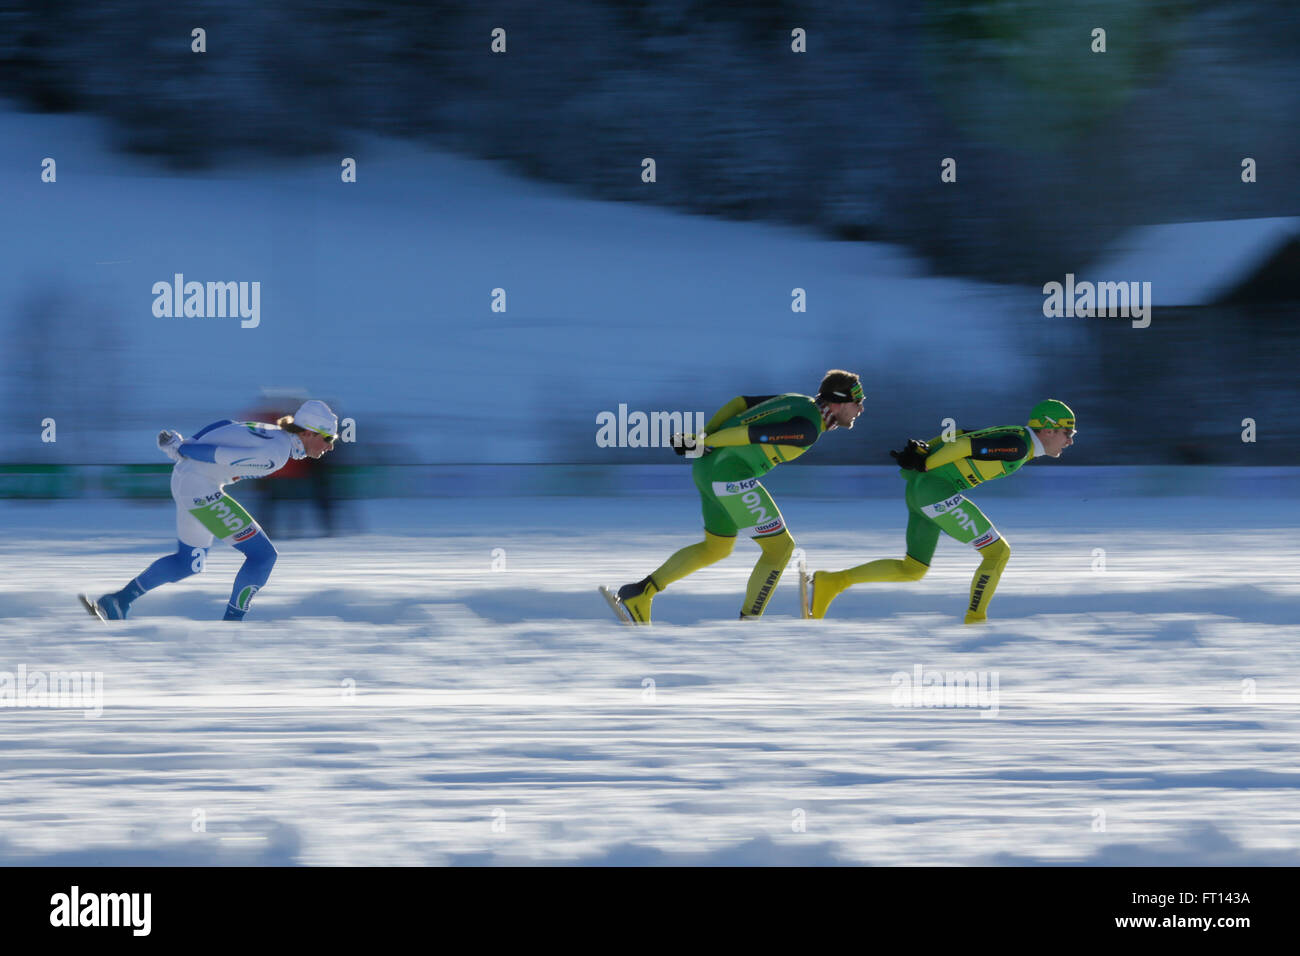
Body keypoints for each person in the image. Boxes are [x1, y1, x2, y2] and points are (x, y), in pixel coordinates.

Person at [610, 370, 865, 623]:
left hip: (706, 468)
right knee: (780, 549)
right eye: (857, 402)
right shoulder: (807, 429)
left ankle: (641, 592)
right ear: (838, 402)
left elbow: (739, 403)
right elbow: (749, 435)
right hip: (728, 474)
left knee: (716, 547)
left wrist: (702, 440)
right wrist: (703, 441)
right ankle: (749, 624)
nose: (860, 409)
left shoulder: (798, 401)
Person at [807, 399, 1076, 623]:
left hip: (920, 492)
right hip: (935, 491)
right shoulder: (1017, 446)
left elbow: (960, 435)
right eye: (1068, 433)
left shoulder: (1016, 436)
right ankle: (976, 621)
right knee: (998, 552)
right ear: (1049, 430)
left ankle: (831, 582)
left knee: (913, 569)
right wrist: (925, 464)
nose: (1070, 441)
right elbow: (962, 445)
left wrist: (922, 454)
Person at [80, 400, 338, 621]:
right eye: (328, 438)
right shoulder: (277, 453)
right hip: (199, 488)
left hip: (189, 481)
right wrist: (180, 449)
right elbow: (218, 454)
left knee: (187, 562)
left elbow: (224, 425)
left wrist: (188, 445)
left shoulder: (275, 434)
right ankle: (231, 626)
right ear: (308, 433)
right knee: (263, 556)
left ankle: (118, 602)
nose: (330, 447)